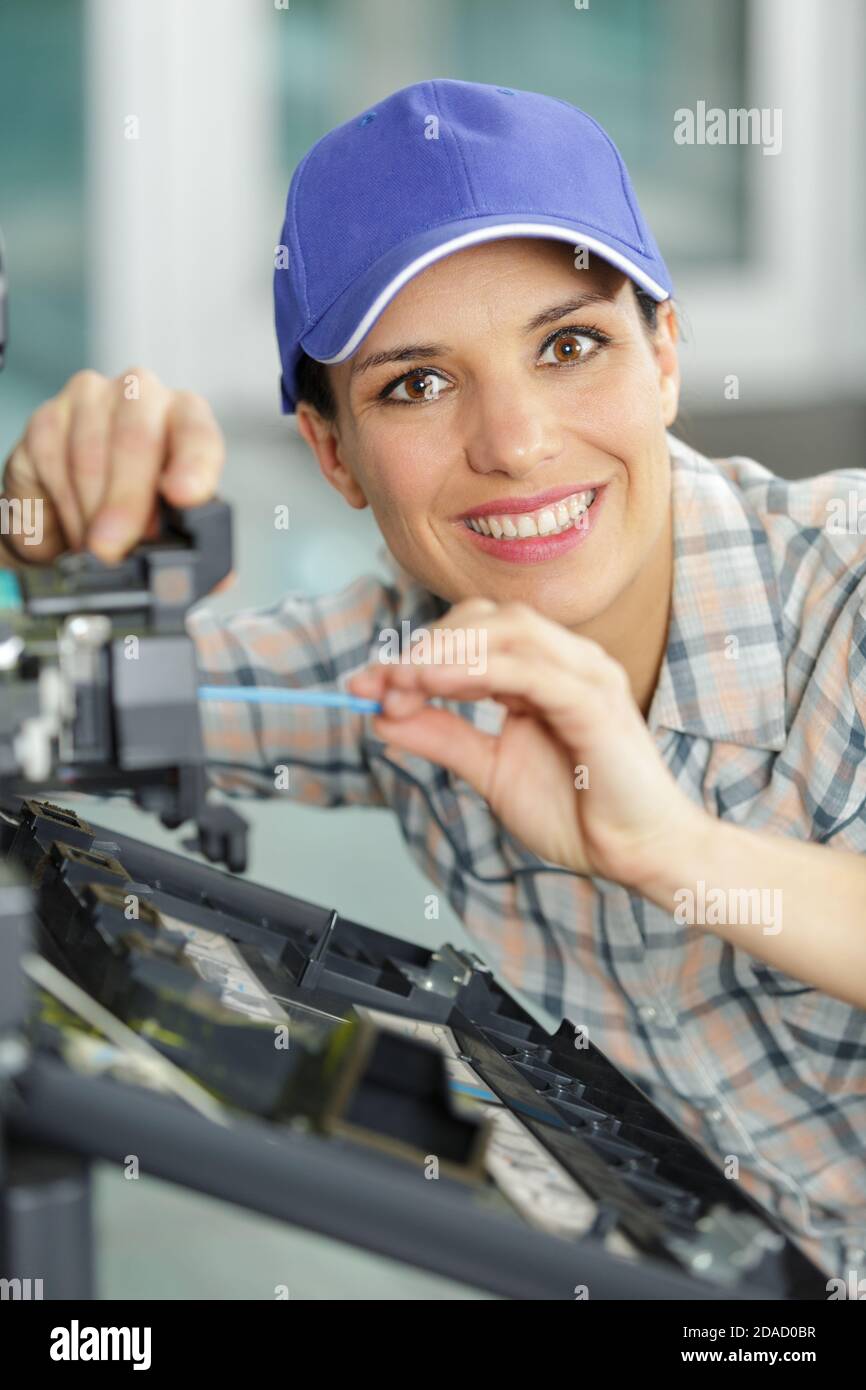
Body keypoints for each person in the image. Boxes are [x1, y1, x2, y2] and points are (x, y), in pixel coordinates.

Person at [1, 79, 864, 1280]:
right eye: (417, 382)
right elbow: (66, 698)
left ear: (663, 356)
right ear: (332, 453)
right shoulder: (405, 670)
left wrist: (675, 850)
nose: (513, 441)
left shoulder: (848, 585)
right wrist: (40, 535)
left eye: (569, 345)